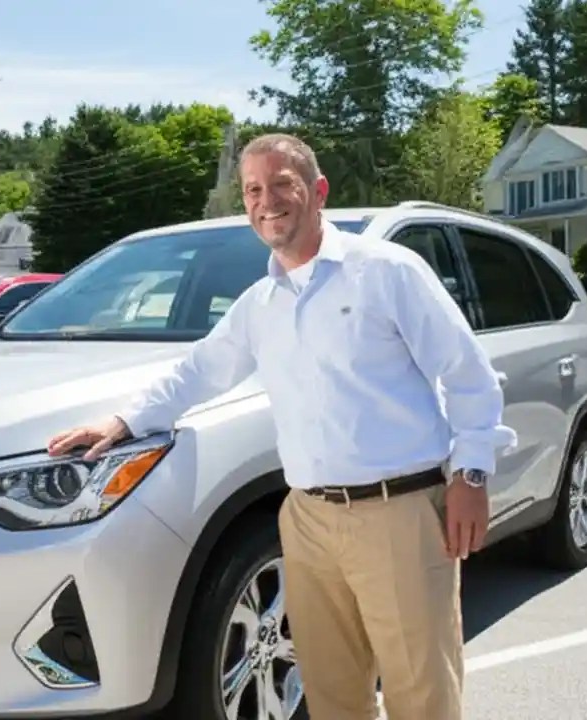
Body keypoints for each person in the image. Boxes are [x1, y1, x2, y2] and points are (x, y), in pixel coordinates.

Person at [46, 133, 516, 720]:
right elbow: (197, 373)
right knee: (329, 693)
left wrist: (471, 473)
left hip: (399, 513)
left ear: (317, 191)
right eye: (252, 190)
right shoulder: (260, 303)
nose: (267, 201)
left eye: (282, 184)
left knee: (422, 694)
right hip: (308, 519)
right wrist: (124, 422)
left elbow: (469, 374)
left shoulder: (386, 271)